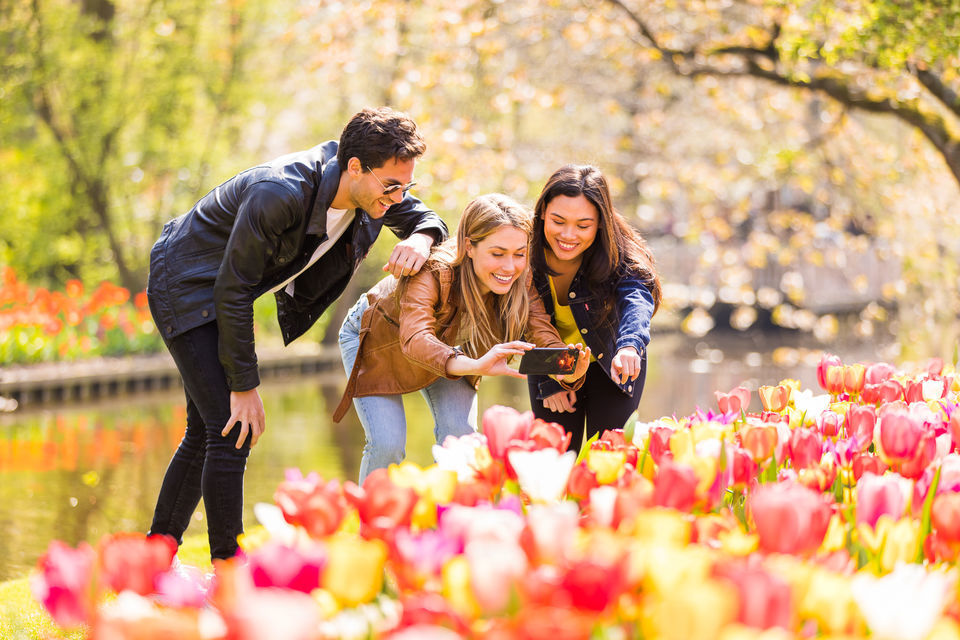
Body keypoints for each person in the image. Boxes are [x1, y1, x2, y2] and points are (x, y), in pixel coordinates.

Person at [146, 107, 448, 561]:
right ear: (353, 168)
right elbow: (234, 290)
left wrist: (421, 239)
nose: (399, 197)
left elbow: (429, 220)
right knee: (231, 429)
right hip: (185, 284)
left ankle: (154, 559)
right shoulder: (280, 191)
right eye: (392, 186)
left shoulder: (375, 194)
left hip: (225, 289)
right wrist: (244, 385)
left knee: (206, 429)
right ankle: (228, 568)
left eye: (407, 186)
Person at [333, 193, 589, 481]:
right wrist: (475, 365)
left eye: (519, 254)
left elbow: (540, 331)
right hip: (378, 340)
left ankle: (455, 518)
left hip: (450, 347)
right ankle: (376, 523)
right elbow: (416, 339)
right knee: (387, 444)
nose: (510, 267)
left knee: (462, 438)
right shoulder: (432, 272)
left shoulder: (521, 279)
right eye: (497, 253)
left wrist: (568, 368)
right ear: (469, 246)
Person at [526, 164, 661, 452]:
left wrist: (629, 346)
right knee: (555, 462)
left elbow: (636, 299)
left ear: (601, 222)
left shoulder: (619, 253)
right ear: (542, 214)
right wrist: (550, 381)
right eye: (558, 221)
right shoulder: (523, 251)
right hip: (553, 361)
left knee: (608, 460)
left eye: (583, 225)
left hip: (612, 361)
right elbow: (526, 323)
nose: (568, 235)